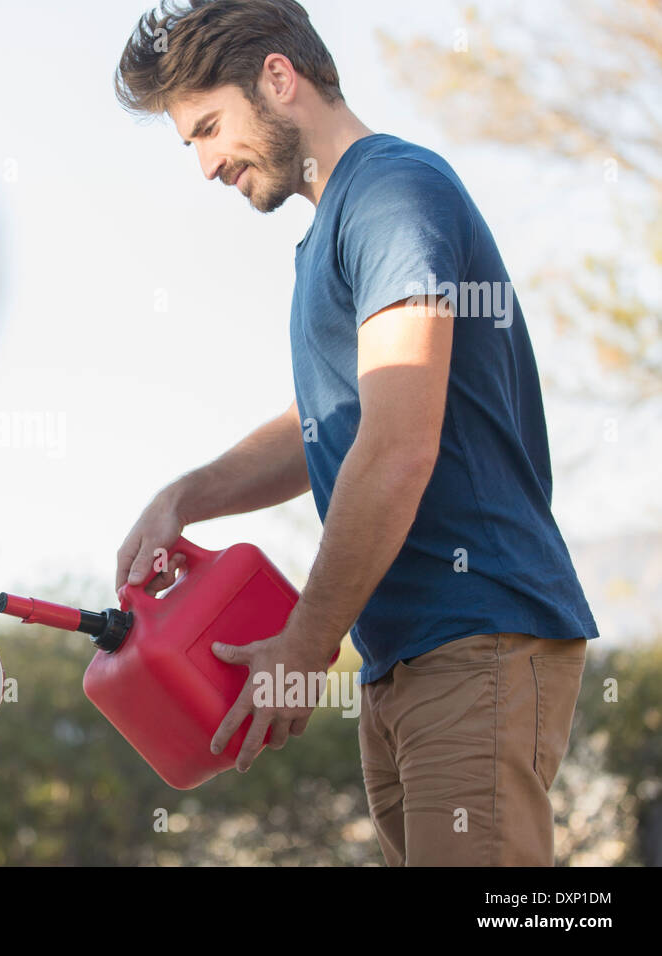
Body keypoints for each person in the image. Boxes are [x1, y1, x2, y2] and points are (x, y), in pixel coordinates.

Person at [112, 0, 597, 866]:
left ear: (277, 76)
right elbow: (331, 426)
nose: (207, 164)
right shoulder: (328, 238)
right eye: (191, 142)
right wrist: (182, 497)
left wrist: (303, 643)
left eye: (209, 128)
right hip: (404, 661)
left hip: (473, 635)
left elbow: (398, 444)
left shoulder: (391, 191)